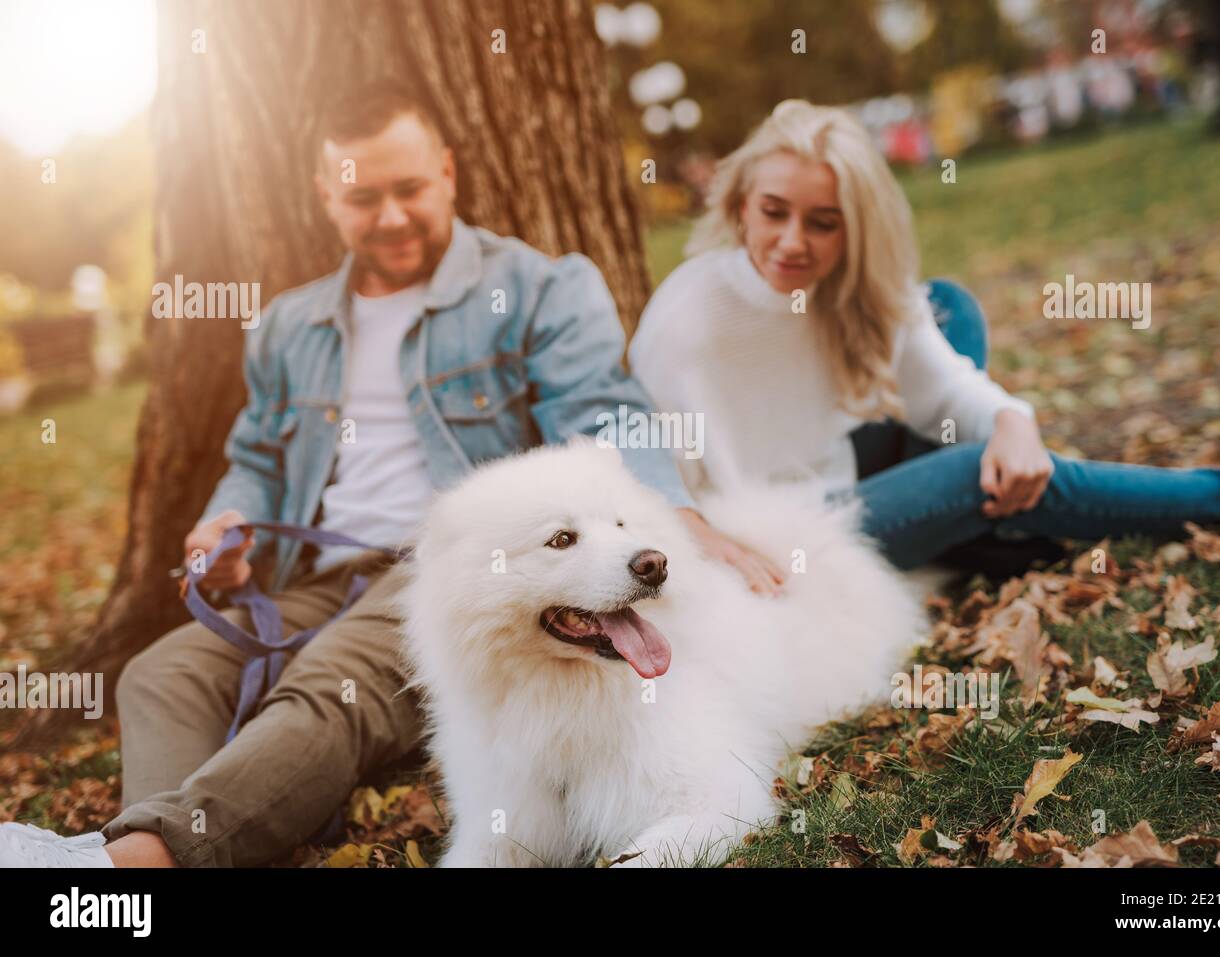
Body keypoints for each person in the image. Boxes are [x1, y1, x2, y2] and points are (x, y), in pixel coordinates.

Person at [0, 80, 767, 868]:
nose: (392, 216)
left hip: (446, 571)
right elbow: (257, 459)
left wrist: (675, 508)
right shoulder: (290, 327)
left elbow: (605, 411)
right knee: (161, 672)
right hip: (312, 577)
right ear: (326, 195)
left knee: (329, 687)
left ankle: (130, 869)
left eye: (409, 189)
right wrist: (227, 524)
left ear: (447, 170)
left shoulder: (537, 288)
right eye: (364, 196)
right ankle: (151, 842)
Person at [628, 99, 1220, 589]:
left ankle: (970, 530)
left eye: (823, 223)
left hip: (838, 462)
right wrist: (695, 525)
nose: (793, 241)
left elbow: (946, 387)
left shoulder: (852, 287)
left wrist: (1015, 420)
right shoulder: (687, 318)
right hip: (795, 528)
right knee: (971, 466)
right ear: (741, 203)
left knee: (949, 307)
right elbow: (633, 455)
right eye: (774, 212)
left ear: (854, 229)